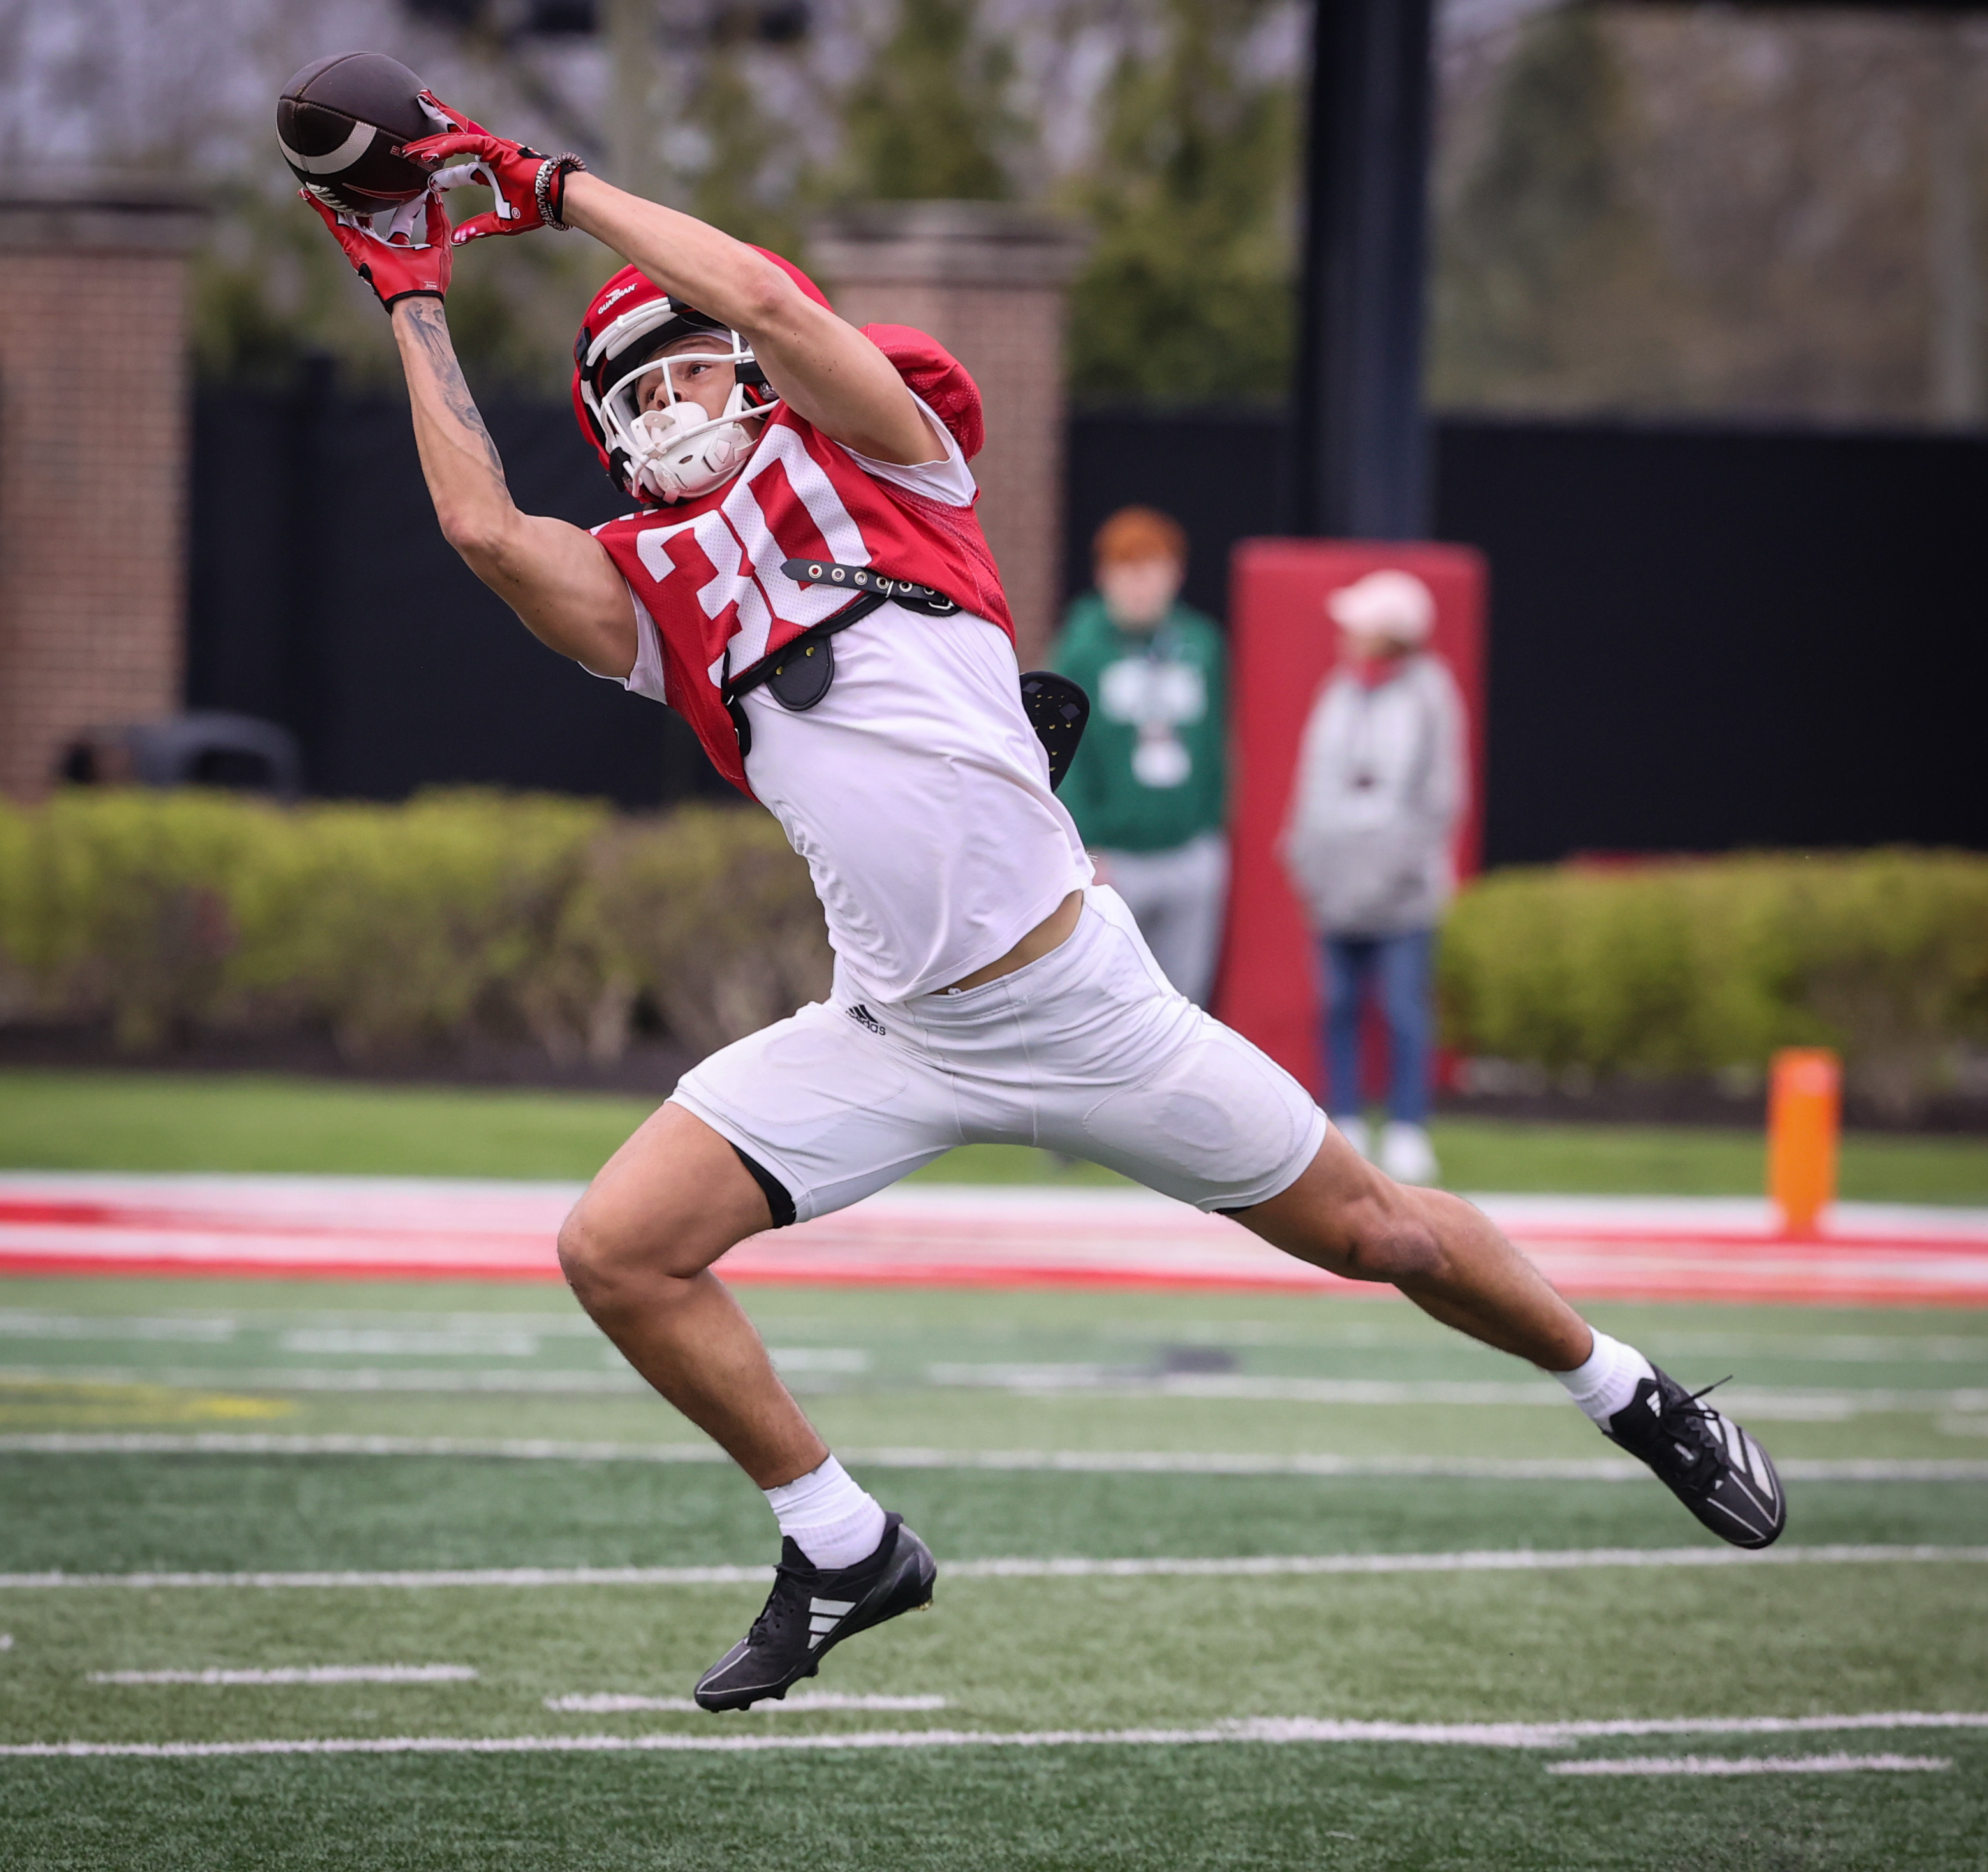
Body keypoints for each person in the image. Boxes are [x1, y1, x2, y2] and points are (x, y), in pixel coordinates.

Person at [302, 103, 1787, 1713]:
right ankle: (842, 1539)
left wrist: (553, 187)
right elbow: (476, 527)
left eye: (687, 362)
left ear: (745, 368)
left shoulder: (889, 460)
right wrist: (412, 293)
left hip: (1082, 1002)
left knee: (1379, 1231)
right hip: (889, 1026)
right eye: (633, 390)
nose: (670, 402)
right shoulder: (655, 593)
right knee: (615, 1250)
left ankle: (1630, 1392)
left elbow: (788, 308)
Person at [1283, 571, 1466, 1188]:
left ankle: (1410, 1128)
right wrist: (1306, 856)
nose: (1348, 634)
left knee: (1402, 1007)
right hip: (1335, 888)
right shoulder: (1337, 690)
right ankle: (1347, 1119)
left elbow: (1440, 796)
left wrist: (1396, 869)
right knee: (1336, 1004)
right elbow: (1313, 780)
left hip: (1402, 893)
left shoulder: (1431, 695)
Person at [1051, 508, 1228, 1006]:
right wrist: (1085, 850)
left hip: (1190, 848)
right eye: (1127, 571)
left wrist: (1213, 829)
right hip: (1115, 857)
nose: (1140, 586)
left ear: (1176, 574)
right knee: (1108, 999)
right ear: (1103, 576)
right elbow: (1066, 759)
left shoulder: (1202, 642)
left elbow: (1217, 742)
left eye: (1151, 570)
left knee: (1183, 1000)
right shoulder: (1081, 648)